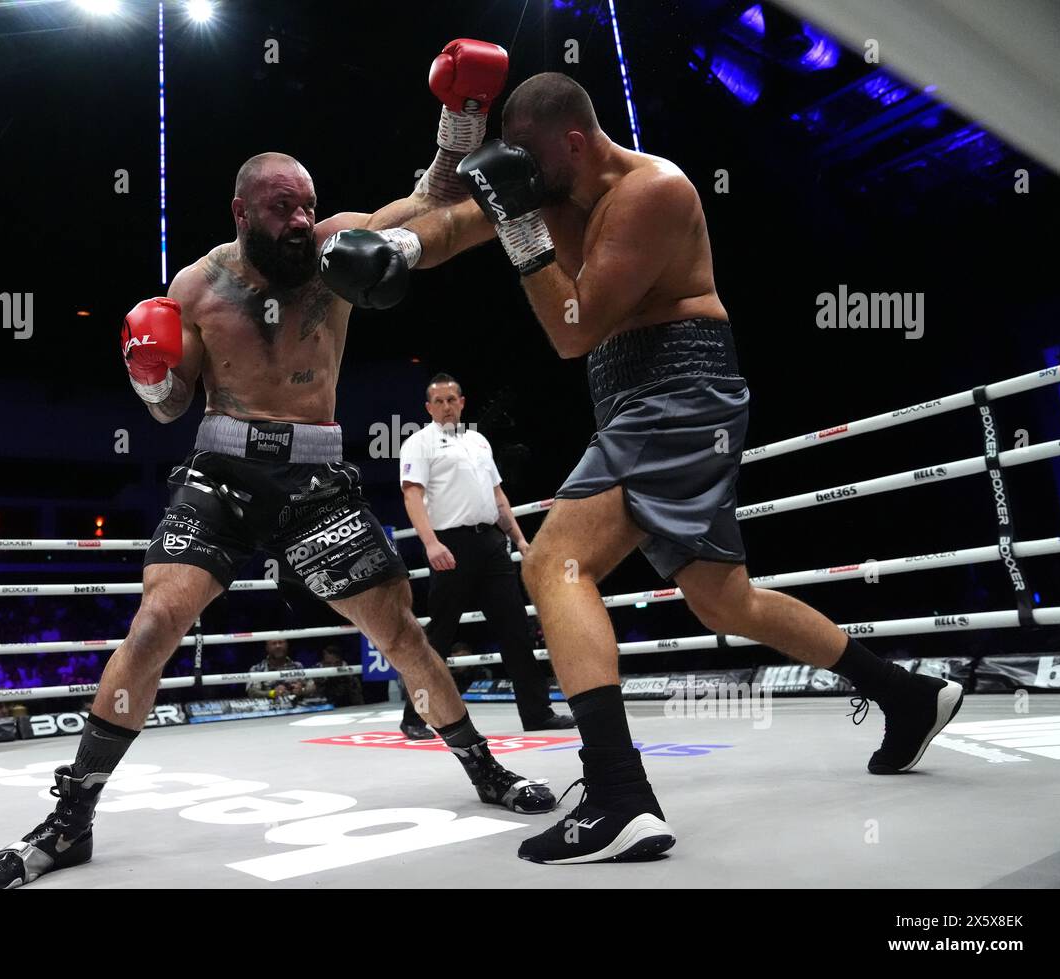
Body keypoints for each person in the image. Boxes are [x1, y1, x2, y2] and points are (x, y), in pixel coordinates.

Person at [323, 72, 964, 865]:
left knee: (555, 559)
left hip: (680, 387)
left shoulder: (653, 190)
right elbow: (447, 222)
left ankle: (619, 794)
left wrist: (517, 224)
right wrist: (394, 243)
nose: (516, 176)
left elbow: (574, 328)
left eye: (525, 158)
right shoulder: (548, 191)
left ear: (574, 142)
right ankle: (906, 694)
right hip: (639, 400)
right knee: (724, 600)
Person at [0, 39, 554, 890]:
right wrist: (148, 378)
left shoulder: (334, 252)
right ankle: (71, 818)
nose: (298, 220)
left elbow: (433, 196)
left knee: (400, 633)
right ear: (241, 209)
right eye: (282, 207)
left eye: (306, 204)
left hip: (316, 478)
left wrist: (459, 114)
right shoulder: (196, 287)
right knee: (153, 623)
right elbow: (175, 408)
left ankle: (485, 771)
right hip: (220, 472)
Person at [397, 372, 573, 737]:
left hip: (492, 545)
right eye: (439, 401)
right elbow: (412, 496)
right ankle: (414, 717)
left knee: (516, 630)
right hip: (450, 544)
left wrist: (522, 542)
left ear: (461, 403)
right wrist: (430, 543)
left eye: (452, 400)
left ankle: (537, 713)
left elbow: (498, 498)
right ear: (429, 408)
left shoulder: (478, 442)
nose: (446, 407)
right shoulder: (419, 443)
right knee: (440, 635)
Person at [245, 638, 313, 700]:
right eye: (274, 643)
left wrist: (302, 690)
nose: (278, 646)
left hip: (297, 710)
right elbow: (252, 692)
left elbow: (312, 686)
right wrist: (272, 693)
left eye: (281, 642)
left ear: (287, 645)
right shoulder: (257, 669)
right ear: (267, 648)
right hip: (268, 710)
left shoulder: (297, 666)